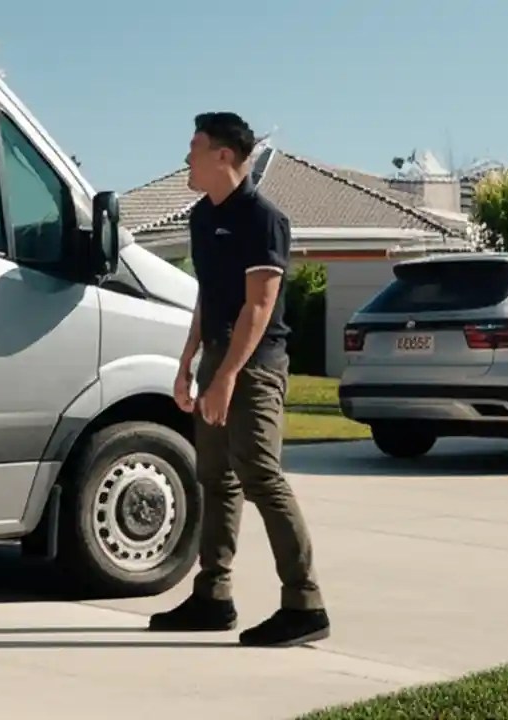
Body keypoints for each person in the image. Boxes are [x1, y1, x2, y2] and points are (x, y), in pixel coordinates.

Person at [148, 112, 330, 647]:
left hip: (256, 365)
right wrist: (188, 362)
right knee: (215, 477)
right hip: (217, 357)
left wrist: (227, 376)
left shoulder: (263, 219)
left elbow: (260, 306)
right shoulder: (203, 218)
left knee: (261, 476)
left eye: (195, 148)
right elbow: (209, 296)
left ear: (223, 155)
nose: (187, 158)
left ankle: (305, 604)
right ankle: (213, 597)